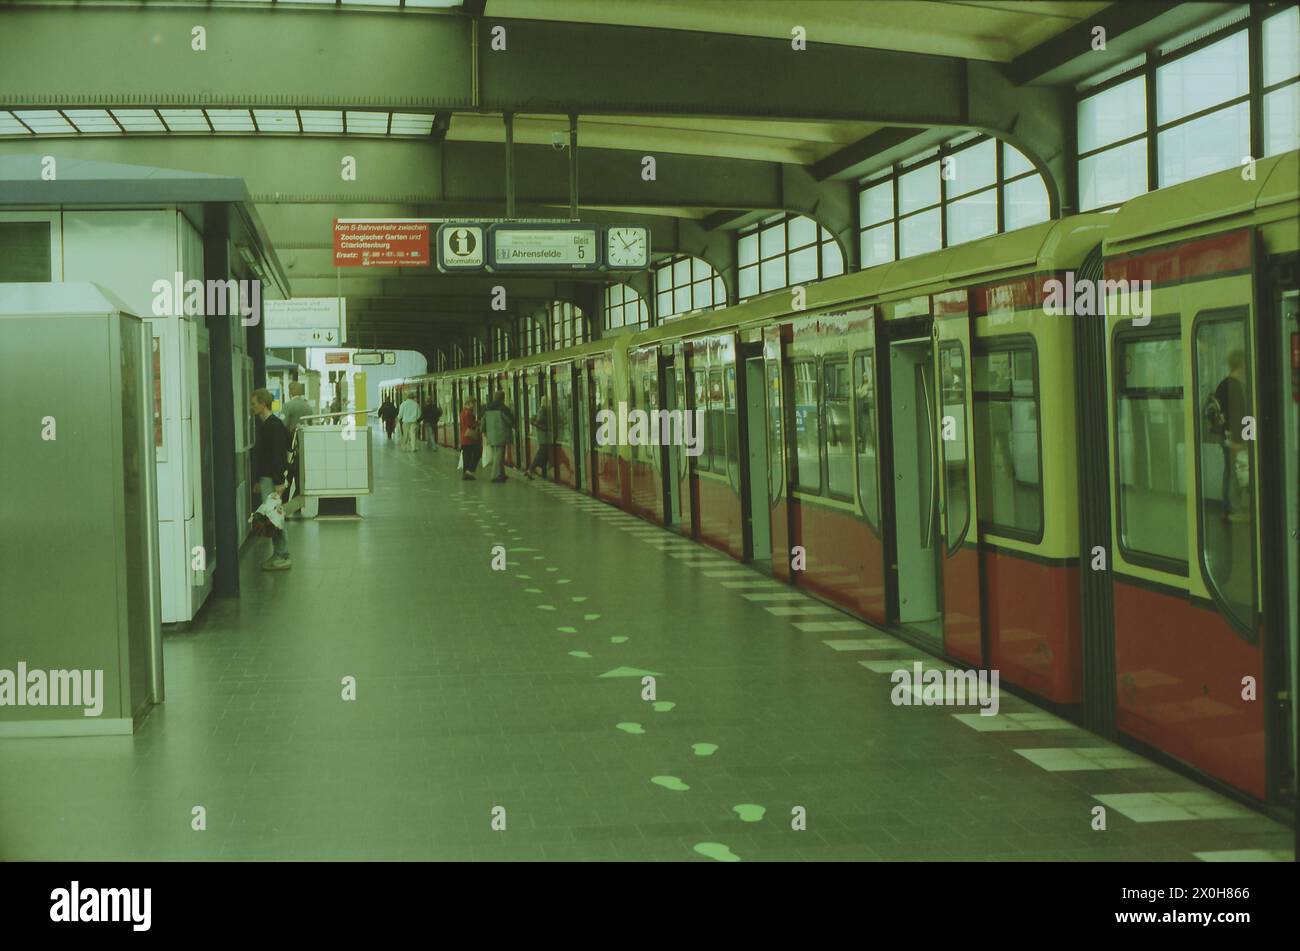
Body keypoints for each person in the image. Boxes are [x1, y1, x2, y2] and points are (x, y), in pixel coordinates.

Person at [250, 388, 291, 571]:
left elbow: (277, 456)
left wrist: (278, 481)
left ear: (263, 404)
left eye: (254, 404)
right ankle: (278, 552)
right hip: (266, 478)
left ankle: (283, 554)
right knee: (272, 516)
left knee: (275, 517)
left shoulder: (273, 426)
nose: (252, 407)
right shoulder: (267, 425)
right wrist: (258, 480)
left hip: (271, 479)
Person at [1213, 350, 1248, 523]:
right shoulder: (1234, 386)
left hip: (1225, 437)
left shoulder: (1223, 384)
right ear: (1240, 364)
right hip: (1232, 438)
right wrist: (1238, 441)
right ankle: (1232, 511)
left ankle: (1227, 510)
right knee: (1234, 474)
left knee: (1229, 472)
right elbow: (1237, 416)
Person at [280, 382, 314, 516]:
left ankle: (284, 508)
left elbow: (282, 426)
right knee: (300, 480)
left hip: (290, 449)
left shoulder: (288, 406)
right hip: (304, 449)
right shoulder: (307, 407)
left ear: (292, 391)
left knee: (287, 479)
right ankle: (297, 507)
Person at [481, 392, 517, 483]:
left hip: (491, 435)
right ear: (503, 398)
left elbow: (483, 420)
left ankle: (502, 474)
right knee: (499, 456)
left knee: (497, 454)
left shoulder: (487, 408)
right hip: (501, 434)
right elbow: (510, 421)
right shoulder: (503, 409)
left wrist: (483, 430)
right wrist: (515, 426)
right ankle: (495, 475)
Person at [525, 395, 553, 480]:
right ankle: (530, 469)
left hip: (544, 435)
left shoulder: (543, 409)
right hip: (544, 436)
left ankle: (539, 470)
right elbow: (541, 420)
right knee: (541, 453)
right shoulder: (543, 410)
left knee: (543, 453)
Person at [459, 396, 482, 480]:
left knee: (466, 456)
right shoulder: (468, 412)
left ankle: (465, 473)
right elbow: (470, 424)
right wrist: (477, 423)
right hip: (470, 438)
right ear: (470, 403)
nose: (474, 405)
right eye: (474, 403)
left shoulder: (462, 412)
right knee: (477, 452)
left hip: (464, 437)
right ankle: (469, 470)